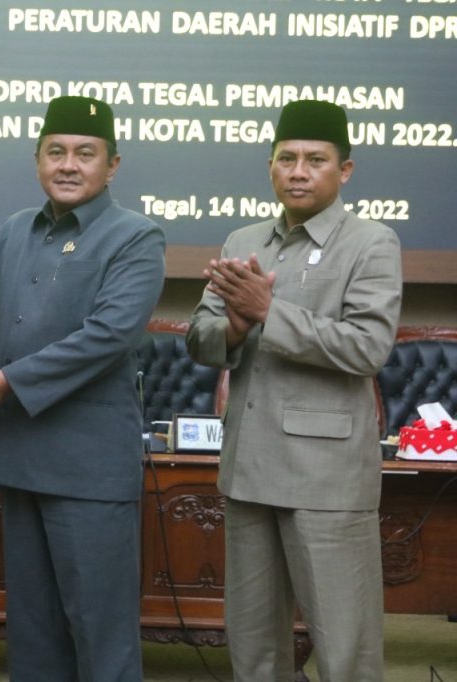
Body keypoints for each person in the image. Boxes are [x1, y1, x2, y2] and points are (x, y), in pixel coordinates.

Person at [0, 96, 166, 681]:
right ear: (38, 159)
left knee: (101, 638)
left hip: (88, 470)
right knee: (34, 639)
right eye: (56, 152)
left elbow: (109, 336)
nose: (69, 165)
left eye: (85, 154)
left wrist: (7, 381)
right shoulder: (17, 229)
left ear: (112, 165)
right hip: (20, 460)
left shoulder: (136, 237)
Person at [186, 100, 402, 682]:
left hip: (325, 476)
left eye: (315, 159)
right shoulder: (244, 237)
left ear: (345, 170)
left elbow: (367, 348)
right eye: (287, 159)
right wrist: (232, 325)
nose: (299, 171)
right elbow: (200, 338)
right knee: (254, 648)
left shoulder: (372, 242)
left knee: (344, 651)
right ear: (271, 166)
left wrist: (265, 312)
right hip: (249, 466)